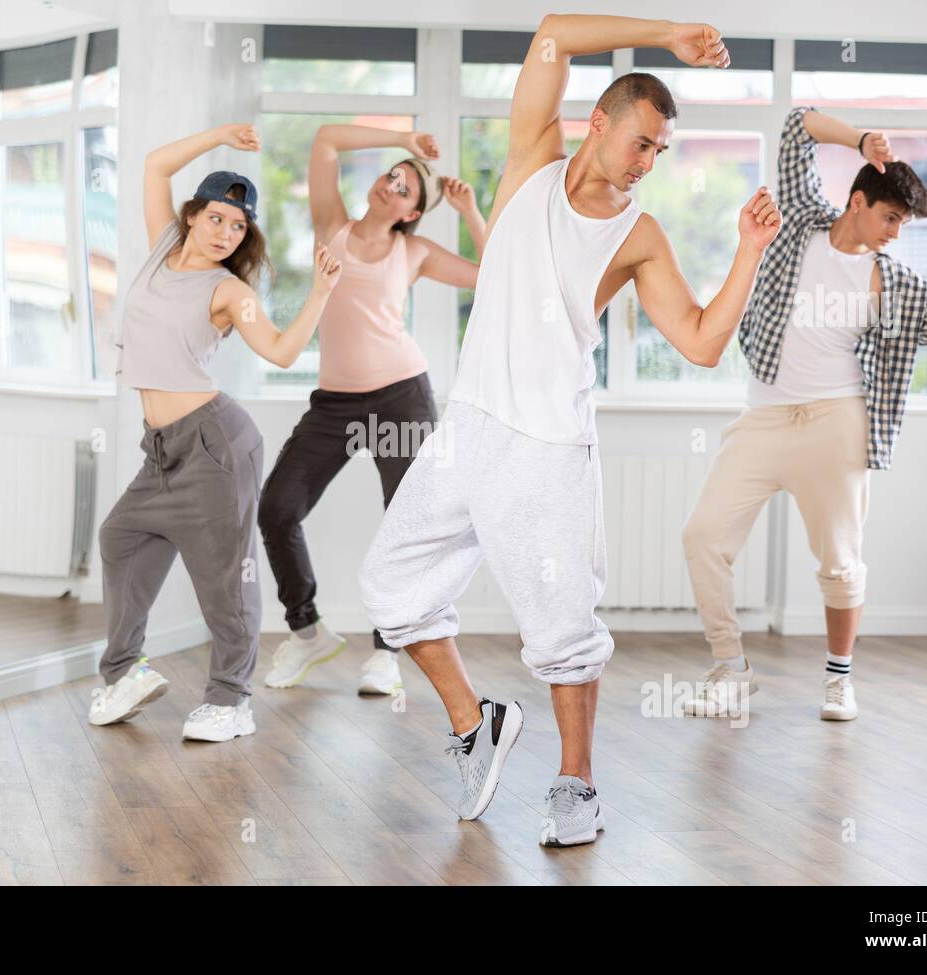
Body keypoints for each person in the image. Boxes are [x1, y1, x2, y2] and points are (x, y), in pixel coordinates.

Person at [358, 14, 780, 846]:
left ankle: (577, 784)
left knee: (563, 635)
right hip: (468, 428)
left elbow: (699, 342)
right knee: (390, 585)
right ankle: (475, 722)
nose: (649, 161)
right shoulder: (528, 165)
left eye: (661, 152)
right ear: (600, 121)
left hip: (549, 446)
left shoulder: (639, 233)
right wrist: (664, 35)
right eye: (644, 141)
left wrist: (749, 252)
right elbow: (552, 32)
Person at [681, 106, 927, 722]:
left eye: (903, 223)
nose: (896, 231)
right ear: (857, 201)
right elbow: (797, 127)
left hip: (837, 422)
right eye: (891, 217)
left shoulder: (894, 282)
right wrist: (860, 139)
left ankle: (839, 679)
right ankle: (730, 669)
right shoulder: (798, 226)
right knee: (703, 538)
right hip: (764, 415)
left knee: (840, 563)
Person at [90, 123, 341, 742]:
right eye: (218, 218)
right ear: (193, 215)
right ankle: (124, 673)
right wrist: (220, 136)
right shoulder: (159, 250)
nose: (228, 233)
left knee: (226, 576)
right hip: (163, 449)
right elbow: (153, 164)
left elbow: (282, 351)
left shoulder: (227, 289)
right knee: (120, 539)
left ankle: (231, 701)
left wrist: (321, 292)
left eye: (239, 227)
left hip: (214, 443)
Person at [260, 123, 487, 696]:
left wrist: (471, 212)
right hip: (334, 404)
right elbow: (324, 142)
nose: (393, 185)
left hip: (400, 397)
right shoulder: (330, 225)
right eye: (392, 174)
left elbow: (490, 279)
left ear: (412, 212)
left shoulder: (413, 252)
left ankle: (388, 653)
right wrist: (407, 140)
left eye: (406, 188)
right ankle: (307, 631)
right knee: (277, 508)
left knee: (404, 522)